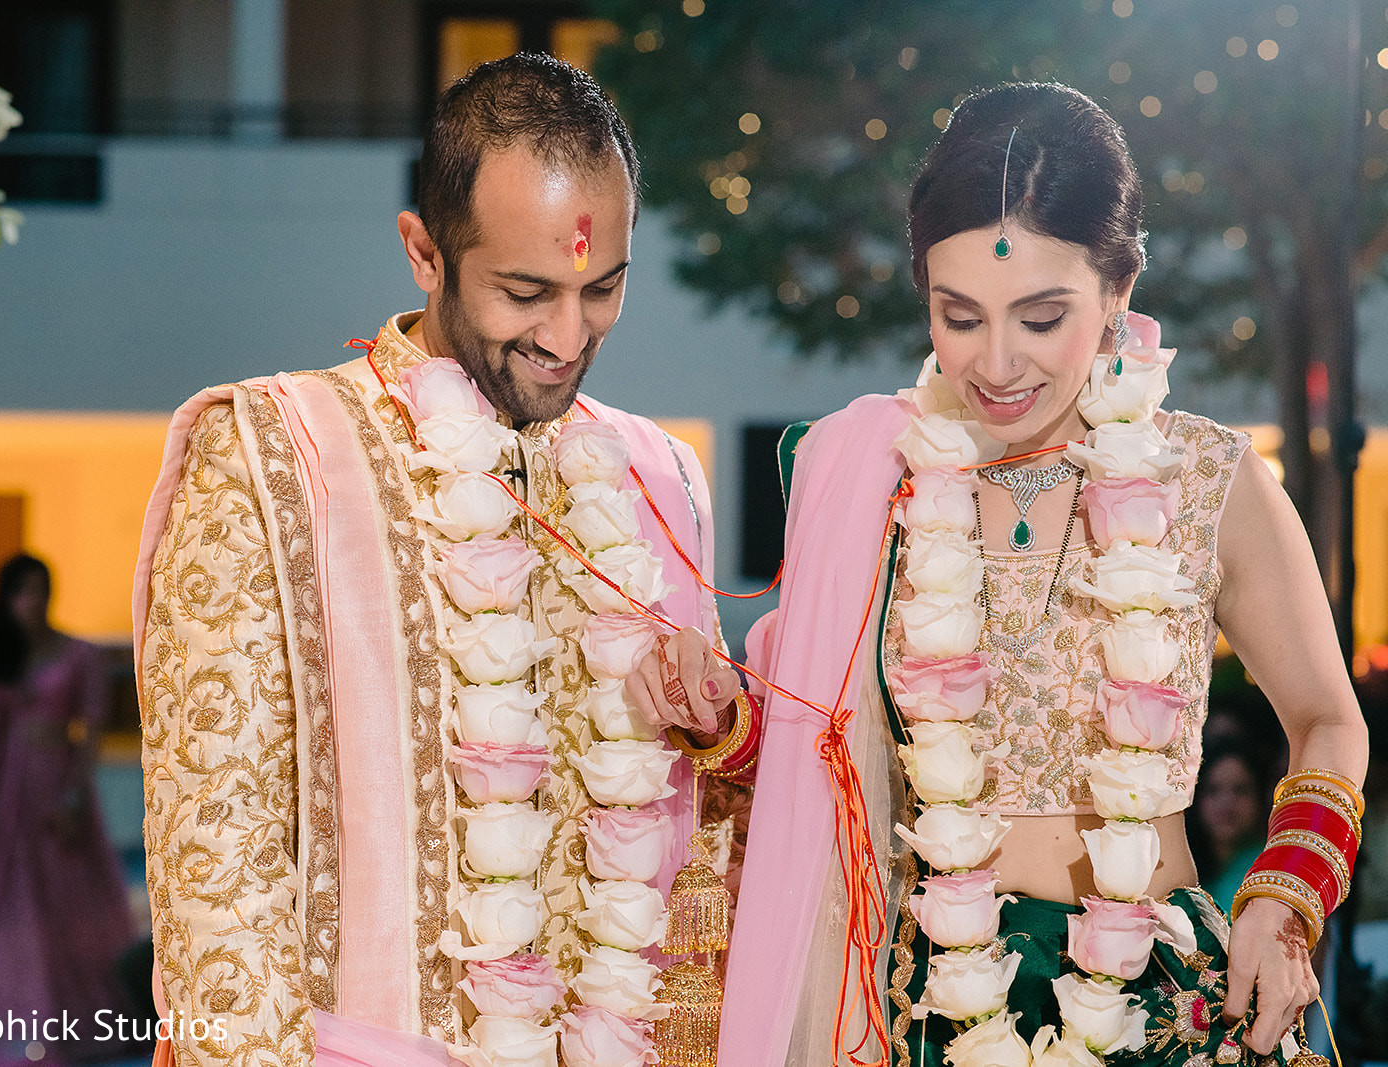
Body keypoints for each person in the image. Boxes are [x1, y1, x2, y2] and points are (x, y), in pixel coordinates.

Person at [720, 82, 1368, 1067]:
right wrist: (712, 715)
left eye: (1040, 315)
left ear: (1117, 286)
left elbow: (1327, 714)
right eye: (959, 314)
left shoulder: (1203, 475)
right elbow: (810, 767)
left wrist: (1284, 895)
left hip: (1166, 1012)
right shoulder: (870, 481)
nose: (997, 360)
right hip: (931, 1009)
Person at [133, 53, 752, 1067]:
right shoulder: (271, 455)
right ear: (423, 252)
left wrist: (722, 736)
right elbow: (218, 878)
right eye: (525, 289)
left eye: (604, 287)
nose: (568, 333)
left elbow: (696, 863)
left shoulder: (659, 476)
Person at [0, 554, 136, 1067]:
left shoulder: (79, 654)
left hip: (55, 785)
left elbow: (90, 730)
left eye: (39, 589)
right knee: (0, 899)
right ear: (6, 597)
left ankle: (66, 1025)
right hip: (3, 787)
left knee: (62, 899)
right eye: (22, 591)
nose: (32, 600)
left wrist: (73, 796)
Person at [1187, 740, 1273, 915]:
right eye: (1213, 790)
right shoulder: (1180, 864)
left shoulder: (1272, 868)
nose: (1226, 803)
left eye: (1240, 790)